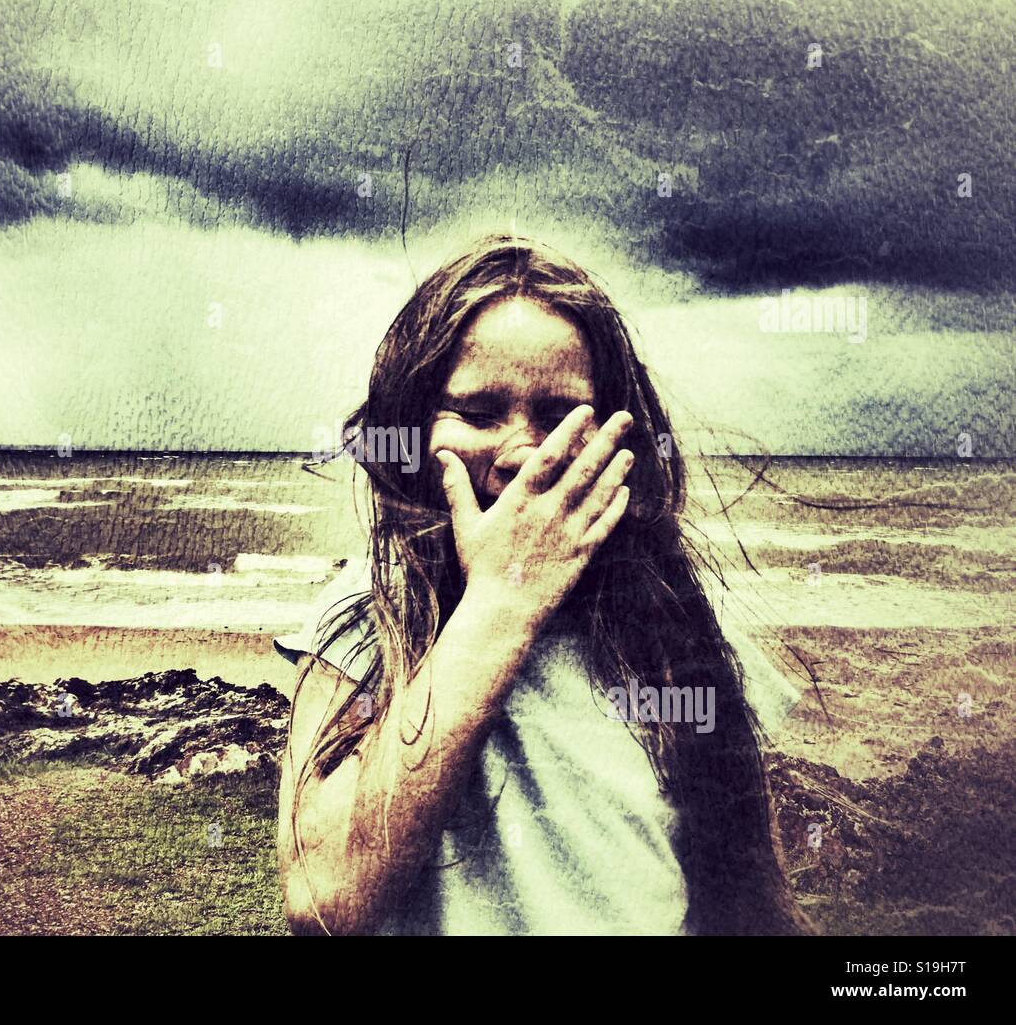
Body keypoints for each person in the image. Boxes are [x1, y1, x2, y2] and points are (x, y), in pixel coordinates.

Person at [273, 234, 812, 936]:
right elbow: (324, 897)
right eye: (478, 411)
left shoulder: (675, 625)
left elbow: (749, 900)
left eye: (561, 416)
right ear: (411, 423)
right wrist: (502, 602)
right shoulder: (368, 613)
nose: (524, 451)